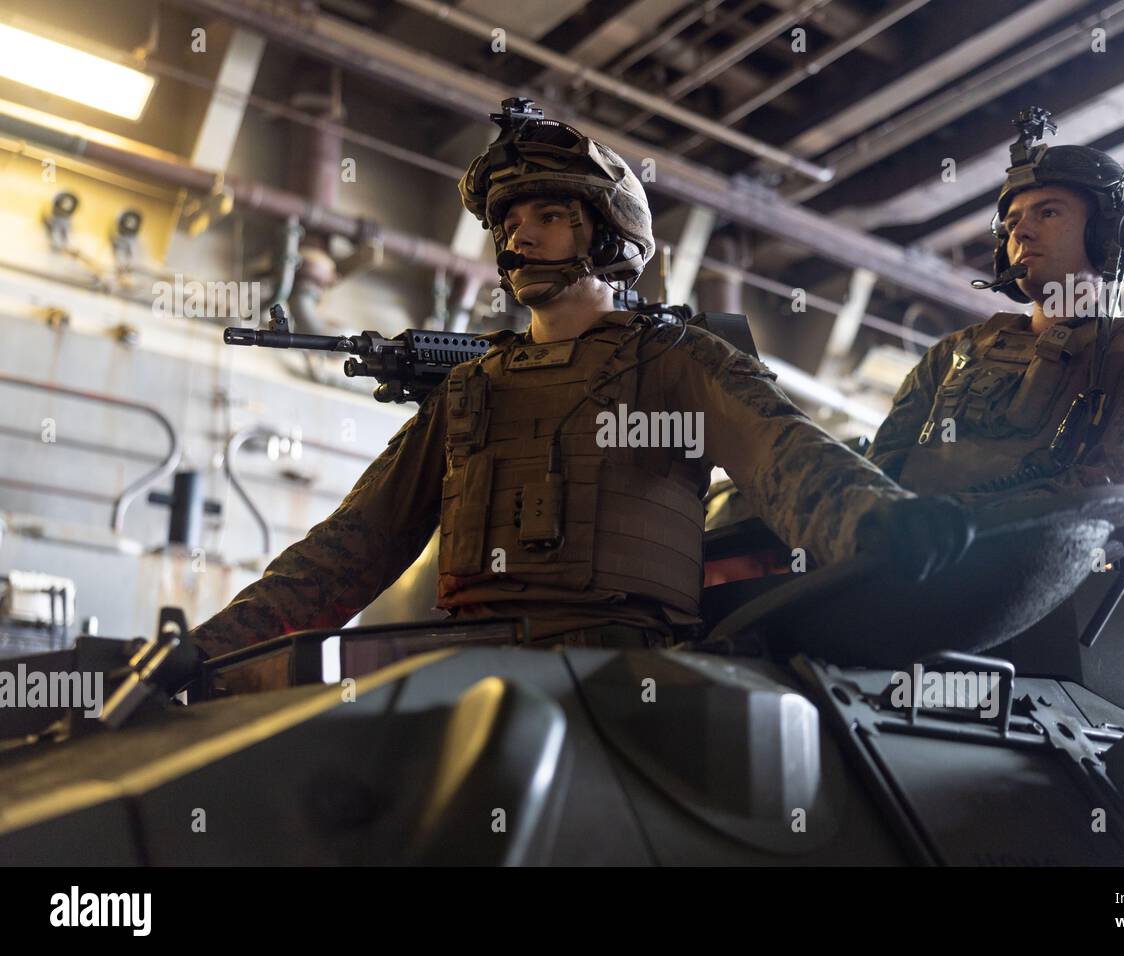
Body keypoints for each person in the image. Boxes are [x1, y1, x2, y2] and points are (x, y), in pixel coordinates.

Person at [189, 98, 972, 658]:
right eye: (507, 222)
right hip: (462, 667)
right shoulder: (472, 390)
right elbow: (351, 547)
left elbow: (787, 455)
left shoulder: (675, 361)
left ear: (605, 234)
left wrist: (878, 520)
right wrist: (205, 651)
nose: (519, 235)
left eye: (549, 217)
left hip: (628, 672)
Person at [866, 109, 1124, 500]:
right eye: (1012, 224)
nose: (1022, 232)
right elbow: (878, 473)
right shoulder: (952, 353)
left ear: (1114, 234)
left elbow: (1119, 497)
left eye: (1048, 212)